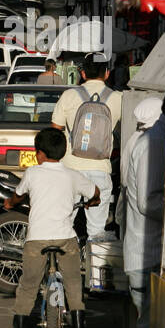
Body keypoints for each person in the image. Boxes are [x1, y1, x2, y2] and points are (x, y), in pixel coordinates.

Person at [3, 128, 99, 328]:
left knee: (28, 287)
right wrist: (92, 201)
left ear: (40, 153)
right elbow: (95, 191)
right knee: (74, 286)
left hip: (37, 239)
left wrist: (9, 203)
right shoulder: (72, 175)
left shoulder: (33, 173)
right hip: (66, 239)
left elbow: (18, 195)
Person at [123, 95, 165, 328]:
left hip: (145, 252)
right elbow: (147, 201)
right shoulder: (153, 142)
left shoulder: (144, 140)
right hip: (147, 254)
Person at [50, 52, 122, 253]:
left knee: (63, 225)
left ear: (82, 73)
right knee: (97, 230)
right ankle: (95, 278)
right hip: (100, 170)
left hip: (70, 169)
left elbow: (55, 130)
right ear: (107, 73)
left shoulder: (69, 95)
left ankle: (59, 278)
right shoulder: (118, 99)